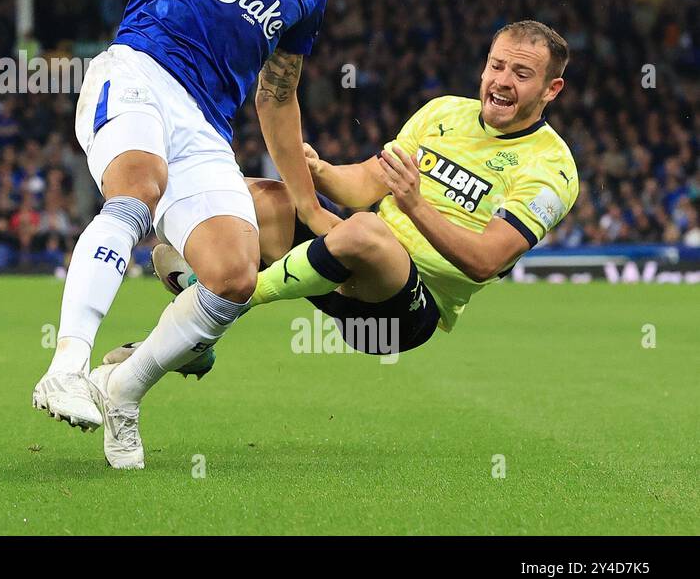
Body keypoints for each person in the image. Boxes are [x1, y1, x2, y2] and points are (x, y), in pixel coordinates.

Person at [33, 0, 351, 469]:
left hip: (206, 127)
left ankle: (123, 390)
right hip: (139, 73)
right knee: (138, 190)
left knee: (235, 276)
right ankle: (66, 363)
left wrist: (309, 205)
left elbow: (278, 94)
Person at [109, 22, 581, 422]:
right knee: (247, 197)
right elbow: (364, 186)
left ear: (550, 89)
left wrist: (415, 205)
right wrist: (318, 170)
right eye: (497, 66)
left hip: (402, 313)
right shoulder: (443, 113)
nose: (502, 81)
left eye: (521, 73)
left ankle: (190, 320)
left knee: (366, 230)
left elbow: (485, 260)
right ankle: (198, 337)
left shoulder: (551, 170)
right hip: (344, 261)